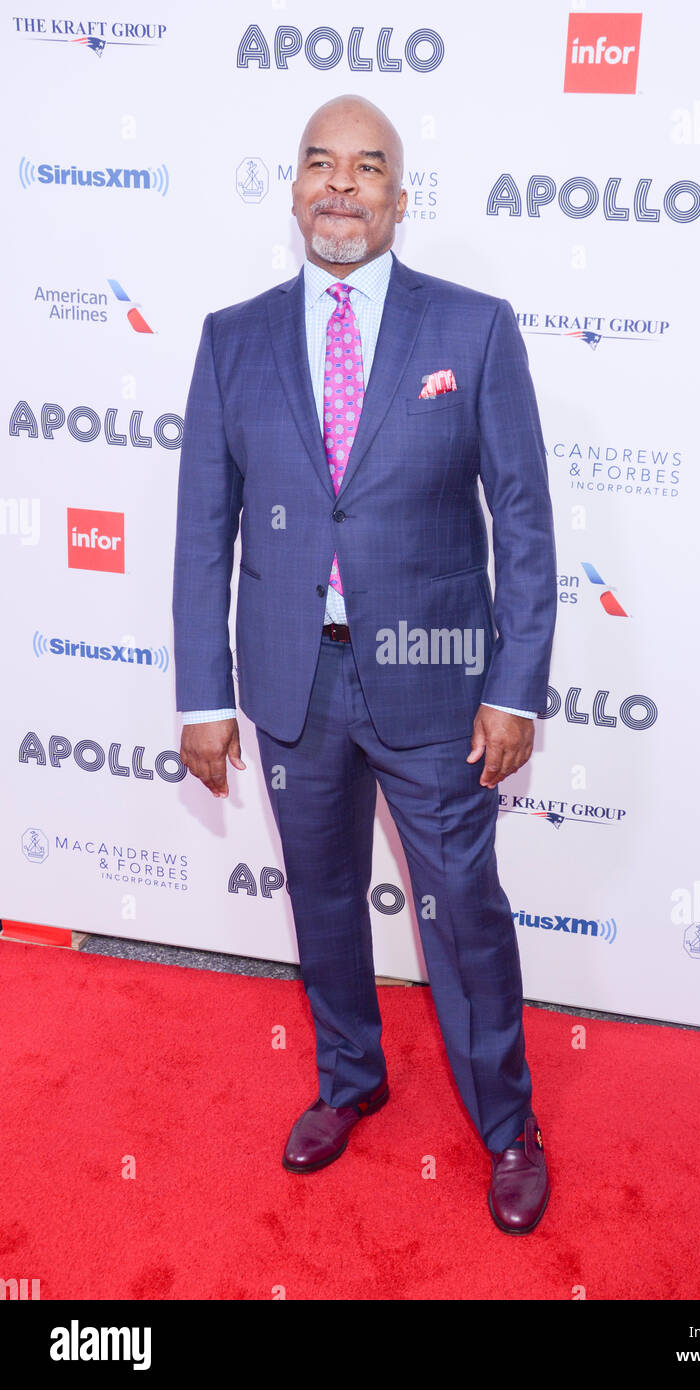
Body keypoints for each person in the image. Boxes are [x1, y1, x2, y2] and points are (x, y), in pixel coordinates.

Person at [172, 95, 557, 1233]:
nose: (341, 186)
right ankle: (351, 1079)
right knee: (326, 899)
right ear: (292, 190)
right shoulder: (232, 338)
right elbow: (205, 532)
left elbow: (525, 523)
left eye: (368, 167)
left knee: (463, 912)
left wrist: (514, 685)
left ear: (400, 197)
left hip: (438, 686)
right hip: (294, 681)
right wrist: (205, 694)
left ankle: (508, 1127)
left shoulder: (474, 329)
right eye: (319, 165)